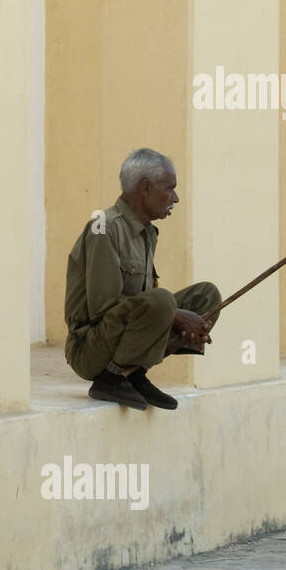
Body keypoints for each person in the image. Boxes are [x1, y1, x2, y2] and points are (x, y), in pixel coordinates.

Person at [63, 148, 222, 410]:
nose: (176, 198)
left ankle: (133, 374)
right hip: (90, 349)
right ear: (146, 188)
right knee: (163, 301)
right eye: (170, 188)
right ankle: (111, 378)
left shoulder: (147, 232)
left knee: (206, 296)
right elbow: (103, 309)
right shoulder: (105, 227)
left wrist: (180, 322)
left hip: (119, 336)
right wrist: (174, 315)